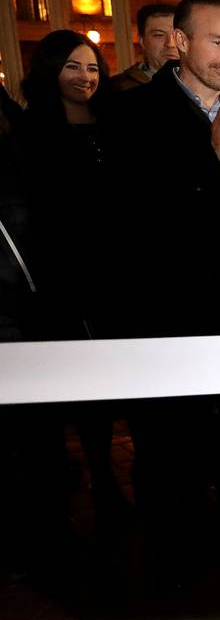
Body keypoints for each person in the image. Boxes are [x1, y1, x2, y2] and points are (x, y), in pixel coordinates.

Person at [106, 0, 220, 577]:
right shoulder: (134, 113)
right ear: (179, 43)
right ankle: (176, 546)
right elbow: (138, 218)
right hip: (173, 303)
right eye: (218, 42)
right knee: (174, 435)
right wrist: (208, 163)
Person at [12, 30, 130, 532]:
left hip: (115, 275)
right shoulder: (28, 131)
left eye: (93, 68)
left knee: (112, 388)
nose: (85, 77)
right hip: (60, 278)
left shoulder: (114, 124)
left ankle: (108, 482)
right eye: (73, 67)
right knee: (75, 395)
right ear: (50, 70)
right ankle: (88, 482)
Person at [111, 3, 179, 91]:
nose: (171, 44)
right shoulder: (118, 88)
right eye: (159, 35)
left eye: (177, 36)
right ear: (142, 41)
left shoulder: (198, 83)